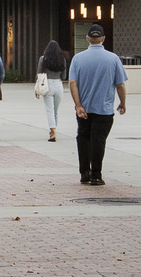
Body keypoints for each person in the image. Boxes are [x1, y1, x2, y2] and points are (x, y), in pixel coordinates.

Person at [67, 23, 126, 185]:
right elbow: (120, 84)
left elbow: (72, 83)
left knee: (83, 139)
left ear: (87, 38)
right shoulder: (113, 59)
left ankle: (84, 172)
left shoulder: (78, 59)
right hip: (104, 109)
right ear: (103, 39)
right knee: (98, 140)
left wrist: (78, 105)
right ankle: (96, 175)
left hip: (84, 109)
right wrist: (122, 102)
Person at [35, 39, 69, 142]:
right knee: (55, 110)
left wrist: (36, 88)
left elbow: (39, 73)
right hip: (58, 84)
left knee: (49, 109)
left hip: (47, 84)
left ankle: (52, 130)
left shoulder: (43, 59)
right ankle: (54, 130)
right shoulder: (62, 59)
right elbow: (64, 75)